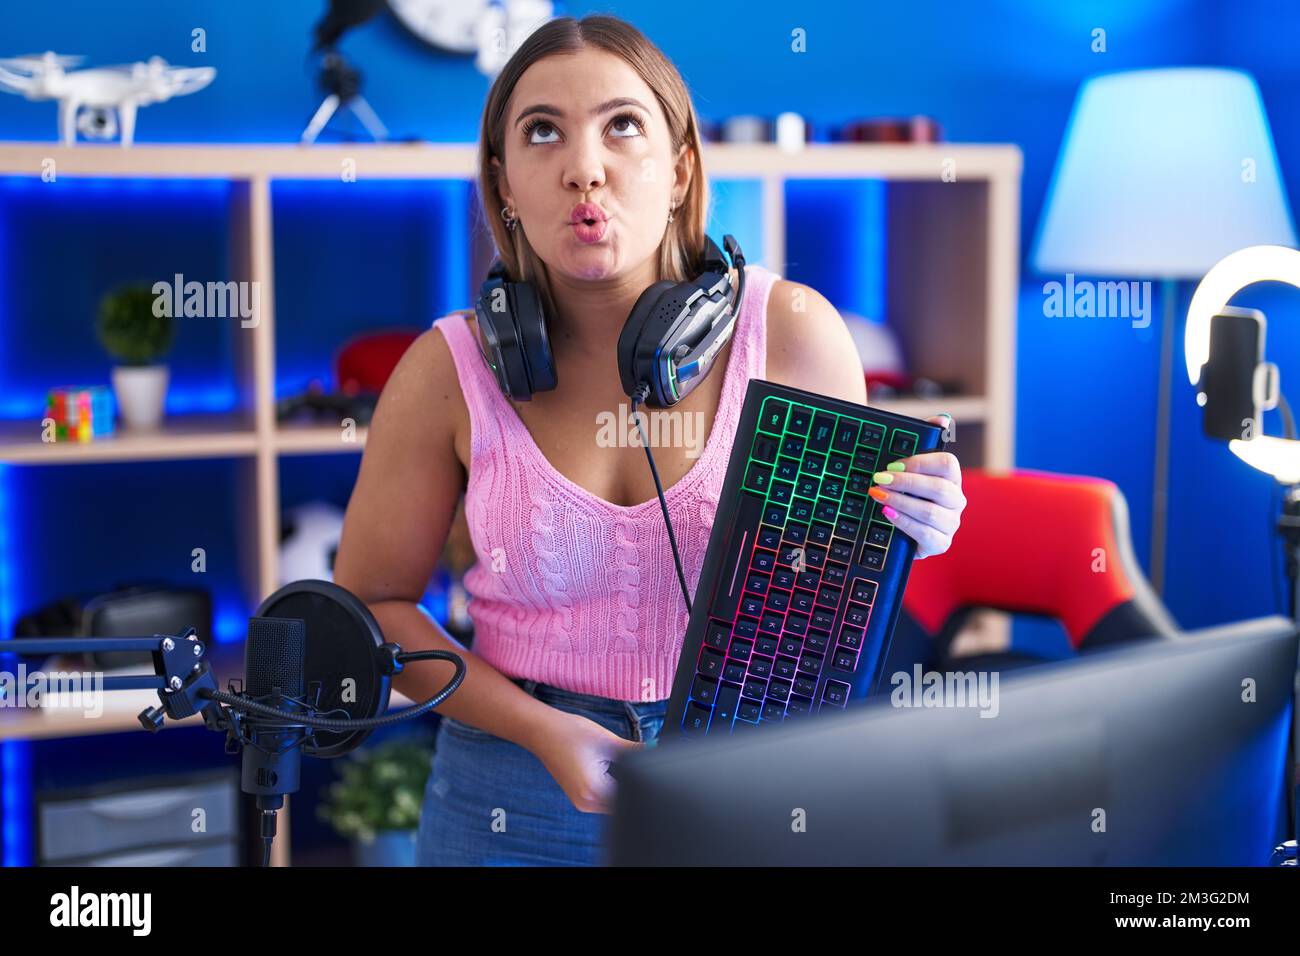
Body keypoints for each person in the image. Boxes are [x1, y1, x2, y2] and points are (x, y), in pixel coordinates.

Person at [332, 13, 966, 866]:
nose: (583, 169)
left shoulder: (794, 334)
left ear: (679, 169)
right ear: (504, 183)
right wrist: (543, 730)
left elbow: (826, 590)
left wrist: (904, 534)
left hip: (739, 776)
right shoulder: (443, 370)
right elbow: (373, 609)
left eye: (622, 125)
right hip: (508, 798)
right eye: (542, 131)